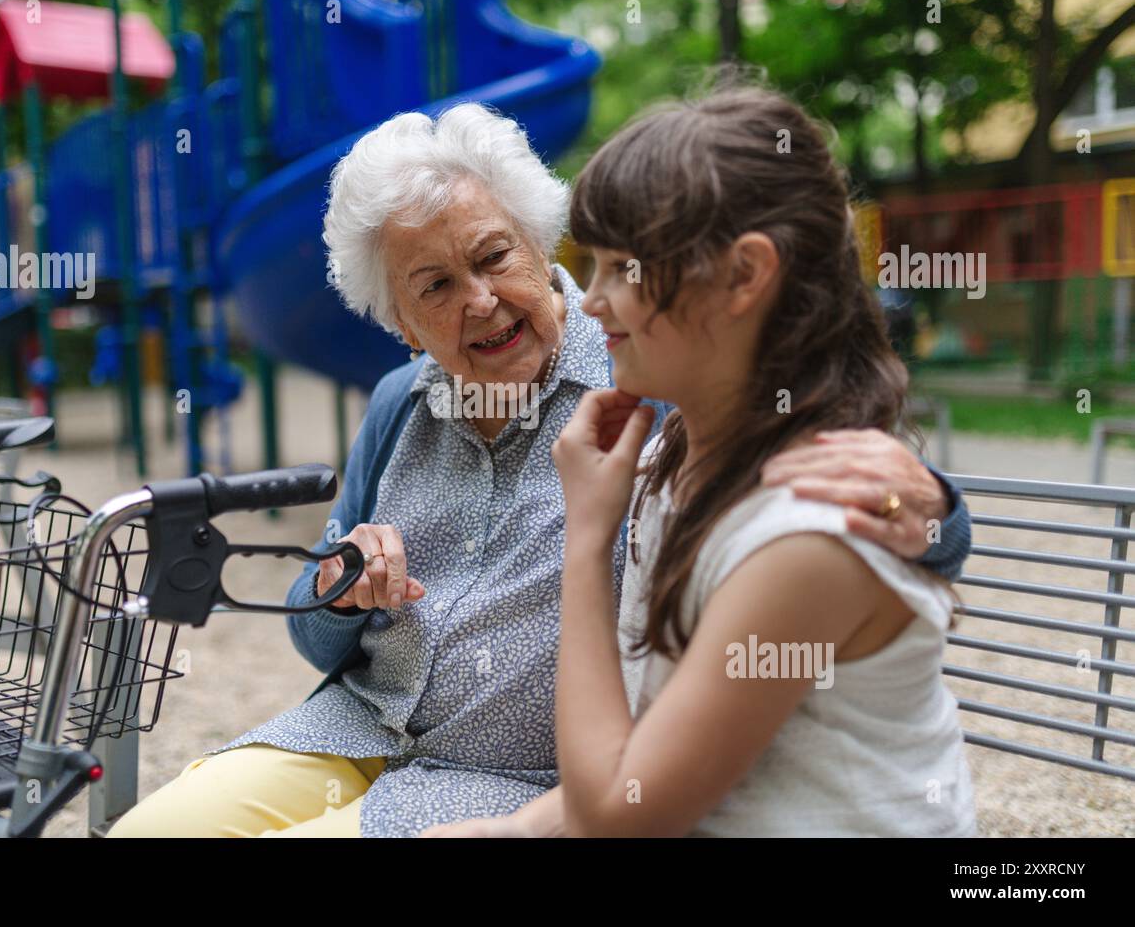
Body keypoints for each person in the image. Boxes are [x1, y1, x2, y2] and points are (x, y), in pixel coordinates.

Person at [110, 101, 971, 838]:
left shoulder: (645, 375)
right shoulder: (400, 404)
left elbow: (822, 482)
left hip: (523, 774)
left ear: (535, 238)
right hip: (362, 728)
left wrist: (937, 510)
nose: (480, 301)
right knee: (147, 831)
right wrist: (341, 584)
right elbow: (313, 632)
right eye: (435, 287)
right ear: (401, 321)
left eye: (493, 259)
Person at [428, 86, 976, 838]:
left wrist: (587, 537)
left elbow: (621, 817)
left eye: (624, 268)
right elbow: (654, 757)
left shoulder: (810, 530)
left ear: (747, 275)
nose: (590, 301)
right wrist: (503, 832)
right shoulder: (668, 461)